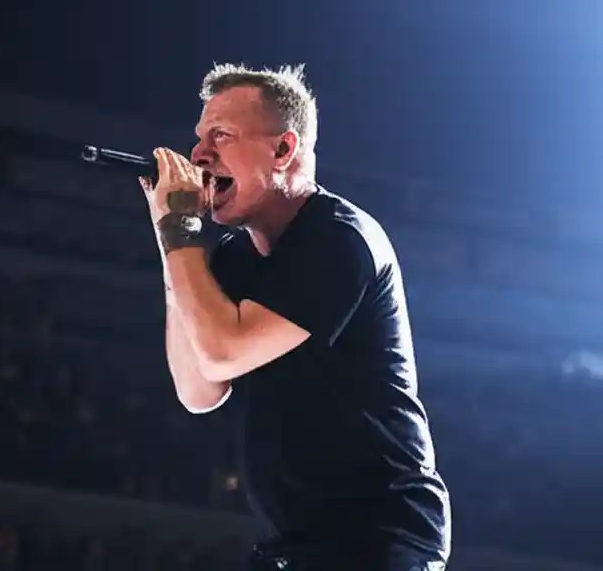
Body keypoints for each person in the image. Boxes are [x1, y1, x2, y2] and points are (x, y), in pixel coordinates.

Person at [139, 64, 451, 570]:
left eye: (221, 136)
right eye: (200, 139)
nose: (199, 155)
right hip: (295, 544)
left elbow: (223, 352)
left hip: (376, 540)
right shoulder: (234, 258)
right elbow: (198, 390)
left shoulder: (340, 238)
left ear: (283, 150)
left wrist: (181, 231)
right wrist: (172, 241)